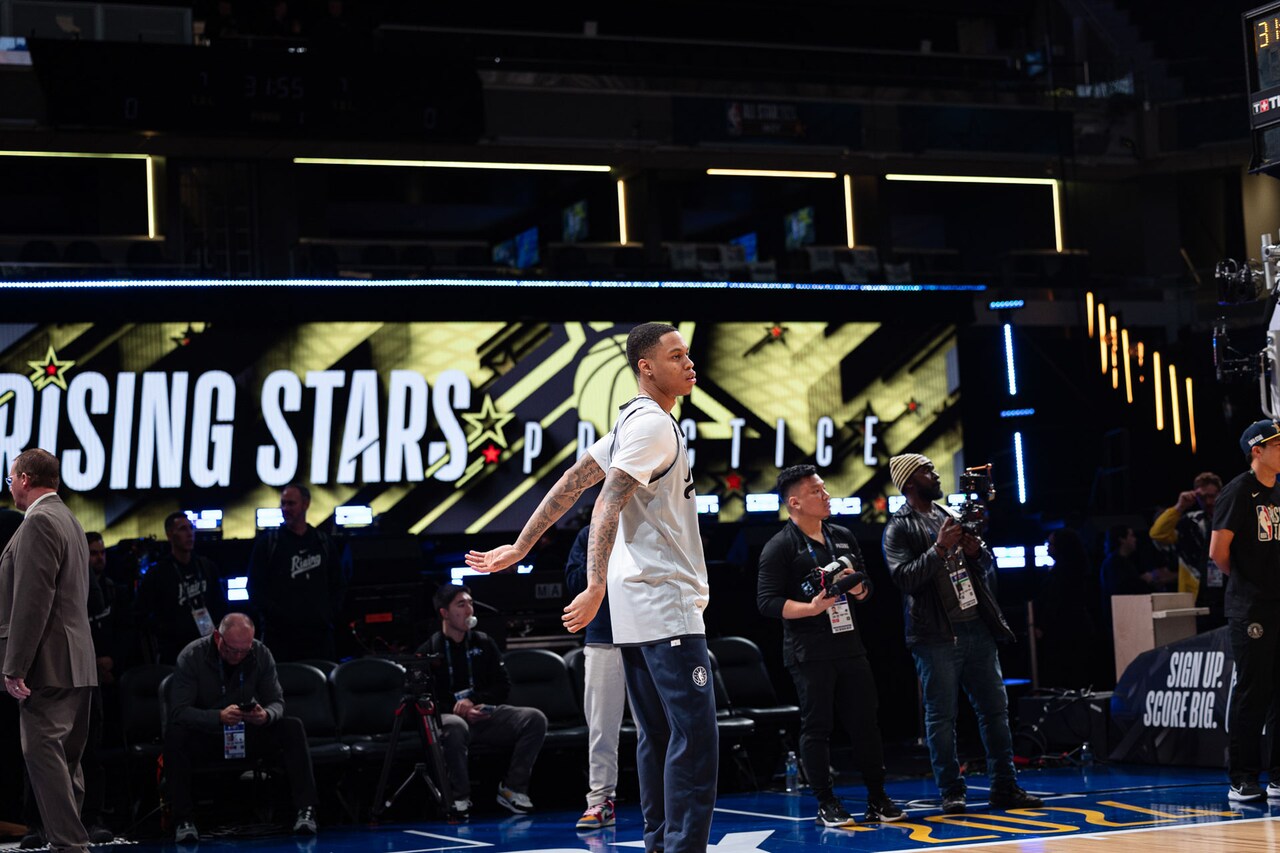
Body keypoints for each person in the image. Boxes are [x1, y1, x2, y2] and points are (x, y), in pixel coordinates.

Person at [466, 322, 718, 853]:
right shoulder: (652, 425)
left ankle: (658, 843)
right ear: (646, 367)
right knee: (694, 739)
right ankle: (682, 848)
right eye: (676, 356)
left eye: (688, 354)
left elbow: (570, 483)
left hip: (637, 613)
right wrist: (596, 580)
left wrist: (521, 546)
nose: (689, 363)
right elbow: (605, 500)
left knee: (656, 737)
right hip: (665, 602)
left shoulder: (630, 418)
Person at [881, 452, 1042, 815]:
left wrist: (977, 551)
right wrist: (939, 548)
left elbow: (986, 566)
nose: (937, 475)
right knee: (941, 718)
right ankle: (952, 791)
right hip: (936, 635)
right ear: (909, 482)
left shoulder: (947, 515)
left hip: (976, 628)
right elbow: (904, 578)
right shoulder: (898, 527)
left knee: (995, 711)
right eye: (928, 471)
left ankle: (1005, 786)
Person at [756, 464, 903, 826]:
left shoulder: (843, 536)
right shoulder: (779, 547)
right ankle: (826, 802)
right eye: (816, 492)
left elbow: (866, 588)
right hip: (809, 652)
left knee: (866, 723)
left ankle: (878, 797)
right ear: (795, 503)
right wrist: (810, 608)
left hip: (850, 644)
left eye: (824, 489)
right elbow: (767, 602)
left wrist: (857, 588)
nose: (826, 496)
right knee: (817, 726)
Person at [1, 448, 97, 853]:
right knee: (65, 760)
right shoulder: (69, 519)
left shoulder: (39, 520)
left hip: (49, 662)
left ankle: (70, 845)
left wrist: (14, 666)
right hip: (77, 660)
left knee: (41, 750)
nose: (9, 485)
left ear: (25, 479)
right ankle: (67, 843)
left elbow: (32, 601)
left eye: (10, 478)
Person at [164, 612, 318, 843]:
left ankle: (306, 811)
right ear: (218, 637)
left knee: (292, 728)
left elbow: (277, 701)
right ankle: (183, 820)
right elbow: (179, 710)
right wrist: (217, 717)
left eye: (243, 651)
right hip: (208, 735)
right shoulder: (192, 656)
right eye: (232, 650)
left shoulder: (260, 652)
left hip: (247, 732)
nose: (237, 656)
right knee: (175, 735)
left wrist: (266, 715)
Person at [417, 585, 547, 817]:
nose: (469, 610)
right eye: (461, 604)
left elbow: (502, 686)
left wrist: (476, 701)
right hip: (451, 719)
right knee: (454, 726)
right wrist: (458, 710)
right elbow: (424, 699)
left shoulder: (484, 643)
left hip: (484, 715)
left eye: (470, 603)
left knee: (533, 718)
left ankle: (512, 789)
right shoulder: (430, 650)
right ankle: (459, 797)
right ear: (444, 613)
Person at [1210, 420, 1280, 802]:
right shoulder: (1238, 492)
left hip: (1279, 603)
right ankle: (1243, 777)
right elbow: (1218, 554)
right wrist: (1250, 582)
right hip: (1251, 607)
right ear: (1258, 450)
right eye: (1277, 444)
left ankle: (1278, 776)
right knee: (1253, 691)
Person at [563, 523, 625, 830]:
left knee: (655, 727)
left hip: (650, 636)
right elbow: (575, 583)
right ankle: (600, 801)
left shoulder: (650, 520)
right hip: (603, 638)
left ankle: (667, 798)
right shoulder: (590, 534)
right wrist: (602, 558)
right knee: (601, 728)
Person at [246, 484, 346, 662]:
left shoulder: (323, 542)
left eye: (291, 504)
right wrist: (276, 618)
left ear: (306, 504)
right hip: (280, 640)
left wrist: (326, 614)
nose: (285, 509)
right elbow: (254, 589)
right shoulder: (268, 544)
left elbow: (338, 584)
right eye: (283, 504)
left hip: (319, 639)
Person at [134, 512, 227, 665]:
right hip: (174, 653)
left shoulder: (206, 566)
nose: (190, 533)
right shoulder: (158, 573)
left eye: (191, 528)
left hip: (208, 648)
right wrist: (165, 631)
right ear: (169, 534)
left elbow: (221, 605)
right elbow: (140, 614)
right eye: (183, 529)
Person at [1151, 472, 1225, 629]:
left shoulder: (1230, 519)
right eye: (1203, 498)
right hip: (1196, 594)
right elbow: (1157, 534)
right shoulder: (1189, 521)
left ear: (1221, 494)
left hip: (1227, 593)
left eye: (1213, 496)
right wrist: (1180, 507)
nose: (1209, 502)